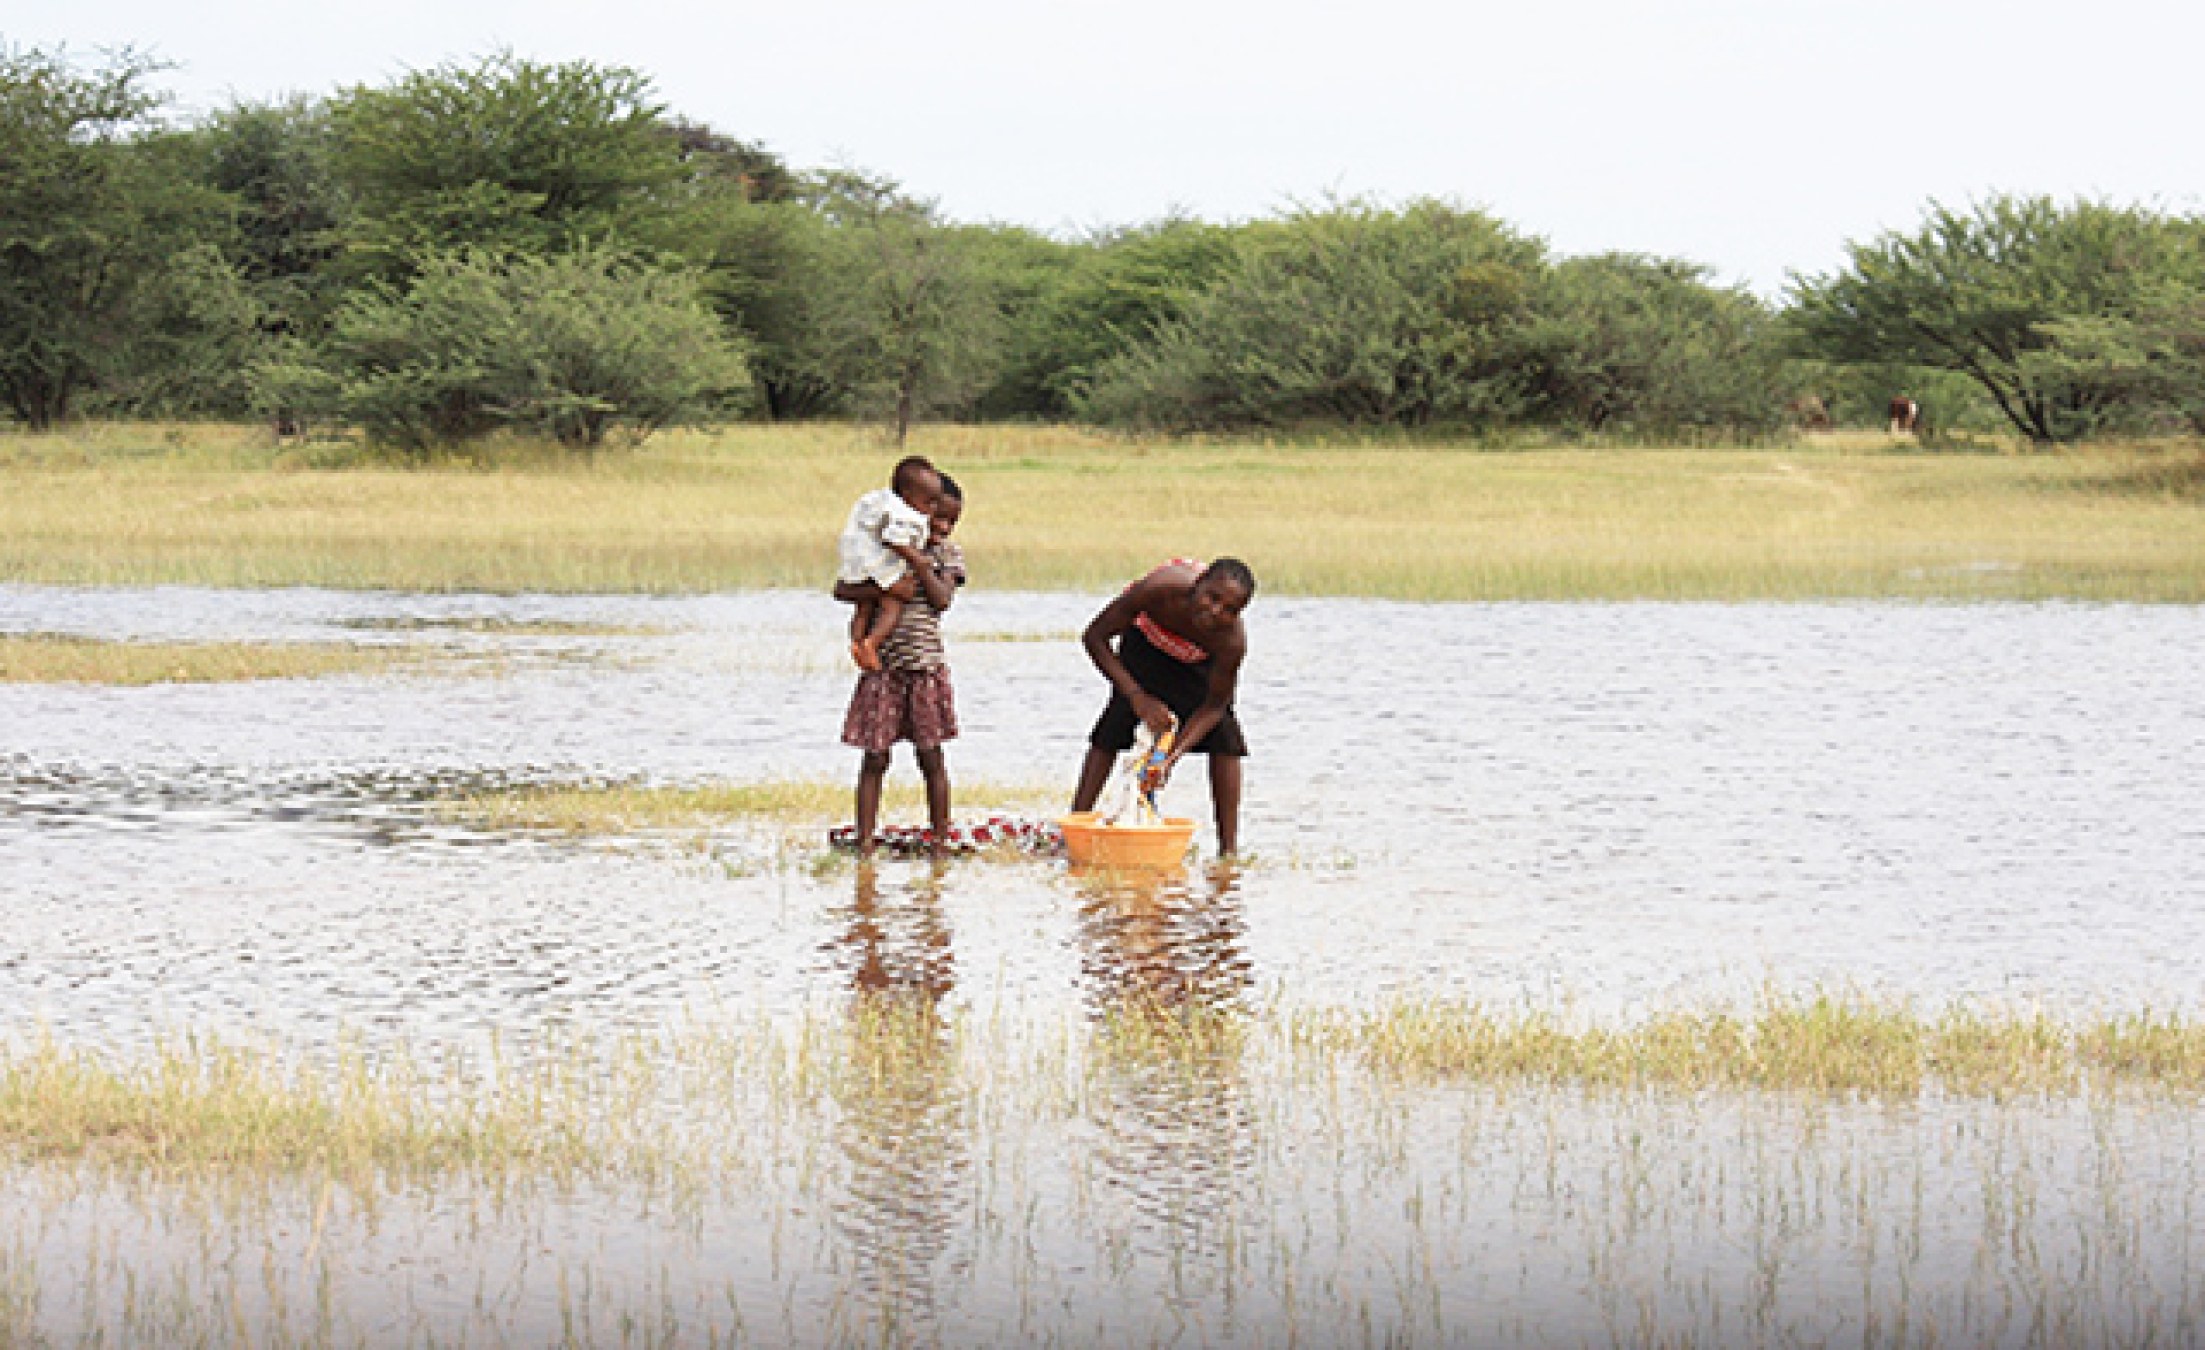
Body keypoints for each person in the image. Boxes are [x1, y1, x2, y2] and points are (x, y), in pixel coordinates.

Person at [1072, 557, 1256, 855]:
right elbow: (1095, 637)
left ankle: (1228, 851)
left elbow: (1214, 706)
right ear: (1198, 584)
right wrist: (1136, 696)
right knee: (1116, 721)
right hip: (1147, 643)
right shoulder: (1161, 590)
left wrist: (1170, 758)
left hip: (1197, 661)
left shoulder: (1230, 642)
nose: (1215, 611)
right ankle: (1075, 827)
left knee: (1225, 737)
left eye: (1230, 609)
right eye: (1212, 597)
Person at [838, 476, 967, 855]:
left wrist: (919, 564)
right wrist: (886, 588)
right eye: (936, 516)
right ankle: (864, 841)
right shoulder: (882, 550)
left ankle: (940, 839)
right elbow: (842, 589)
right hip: (883, 671)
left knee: (931, 755)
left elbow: (942, 599)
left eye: (951, 521)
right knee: (875, 757)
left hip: (924, 668)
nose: (942, 527)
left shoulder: (946, 555)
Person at [837, 456, 943, 671]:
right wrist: (917, 560)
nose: (932, 510)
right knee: (892, 605)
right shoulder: (905, 514)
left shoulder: (881, 502)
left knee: (864, 608)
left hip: (857, 559)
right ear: (908, 495)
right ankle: (871, 643)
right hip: (876, 563)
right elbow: (893, 539)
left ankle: (857, 643)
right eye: (929, 502)